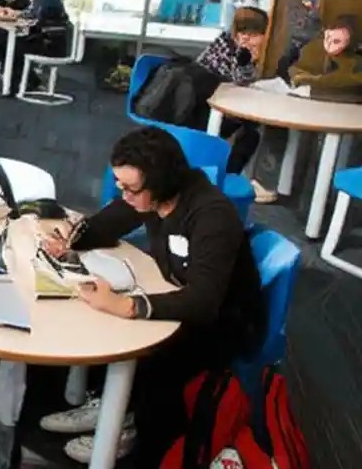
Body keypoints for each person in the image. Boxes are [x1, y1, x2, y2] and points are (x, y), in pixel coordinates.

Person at [38, 127, 264, 467]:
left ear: (159, 183)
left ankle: (126, 426)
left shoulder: (211, 216)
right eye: (119, 183)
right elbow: (110, 222)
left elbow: (203, 302)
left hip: (221, 322)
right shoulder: (154, 196)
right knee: (106, 319)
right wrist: (71, 241)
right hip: (178, 293)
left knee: (137, 341)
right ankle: (111, 403)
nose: (123, 193)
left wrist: (127, 306)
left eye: (130, 188)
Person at [194, 6, 272, 198]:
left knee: (251, 128)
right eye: (246, 33)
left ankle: (229, 178)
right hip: (202, 111)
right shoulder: (230, 49)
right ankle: (227, 179)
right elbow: (238, 84)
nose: (248, 39)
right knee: (251, 132)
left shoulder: (228, 42)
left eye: (254, 34)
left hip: (209, 105)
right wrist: (247, 61)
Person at [0, 0, 69, 93]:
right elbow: (31, 13)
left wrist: (15, 16)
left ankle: (19, 84)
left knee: (14, 47)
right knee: (11, 44)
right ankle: (22, 80)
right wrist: (16, 13)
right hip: (51, 38)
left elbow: (34, 19)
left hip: (51, 44)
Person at [289, 17, 362, 100]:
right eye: (327, 38)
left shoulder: (356, 62)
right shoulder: (311, 50)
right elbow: (296, 72)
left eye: (336, 41)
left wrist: (316, 81)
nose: (329, 44)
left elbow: (350, 83)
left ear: (348, 43)